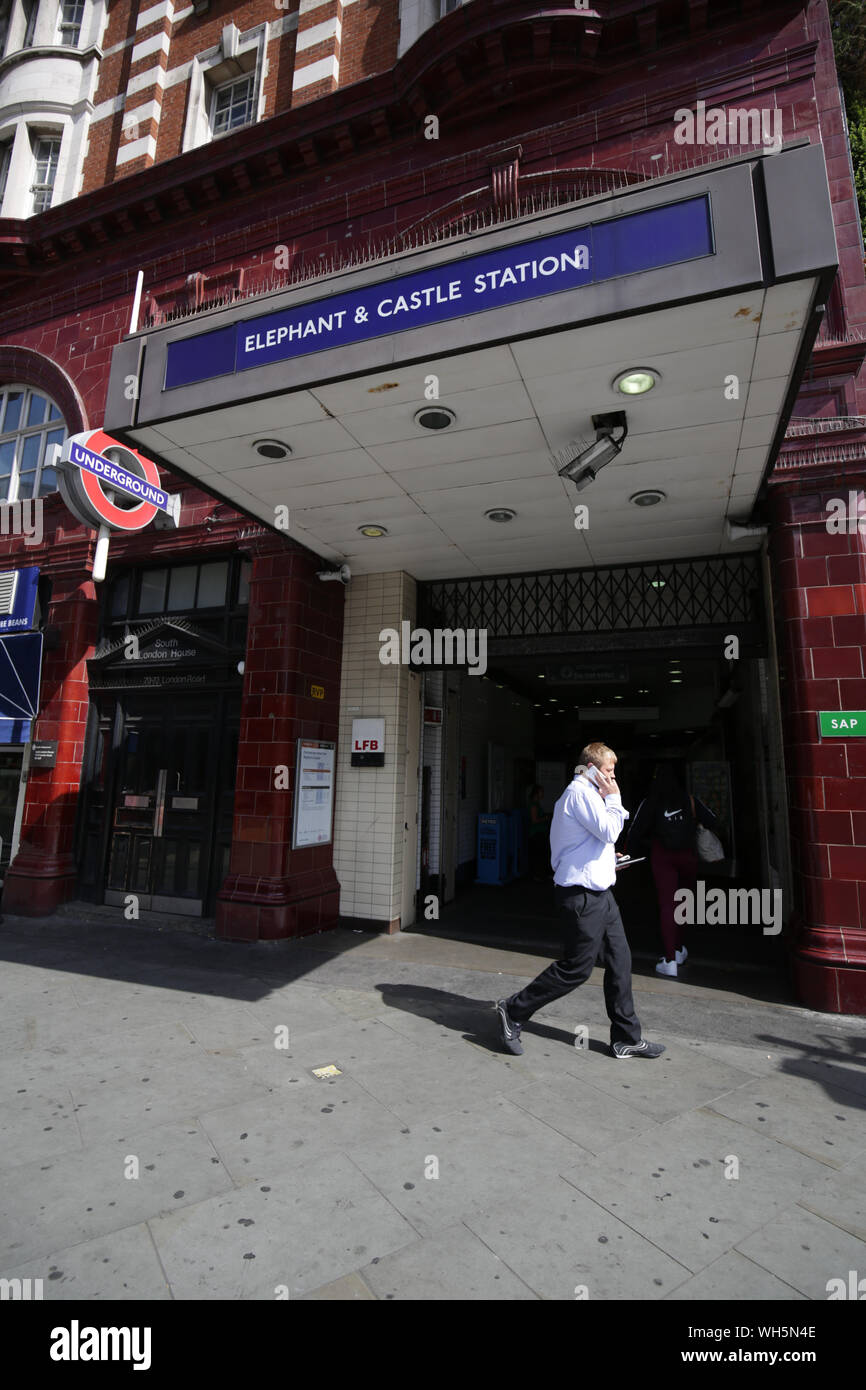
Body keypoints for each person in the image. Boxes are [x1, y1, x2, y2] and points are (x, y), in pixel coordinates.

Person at [495, 742, 665, 1060]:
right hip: (582, 896)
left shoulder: (590, 795)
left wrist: (607, 859)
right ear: (590, 769)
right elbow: (611, 828)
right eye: (607, 771)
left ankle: (626, 1037)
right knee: (576, 968)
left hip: (601, 893)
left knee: (620, 961)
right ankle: (513, 1010)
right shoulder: (580, 794)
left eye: (614, 771)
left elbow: (593, 840)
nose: (613, 778)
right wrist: (614, 798)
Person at [627, 763, 722, 977]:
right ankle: (679, 949)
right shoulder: (689, 800)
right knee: (684, 903)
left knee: (667, 906)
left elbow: (635, 830)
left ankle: (669, 959)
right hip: (688, 856)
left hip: (662, 856)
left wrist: (628, 857)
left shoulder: (650, 802)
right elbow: (714, 820)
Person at [527, 783, 550, 881]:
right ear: (536, 793)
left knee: (541, 854)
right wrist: (545, 818)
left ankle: (541, 874)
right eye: (541, 792)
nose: (543, 794)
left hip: (540, 832)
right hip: (536, 833)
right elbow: (534, 820)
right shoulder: (533, 805)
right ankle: (537, 875)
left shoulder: (537, 804)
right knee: (538, 855)